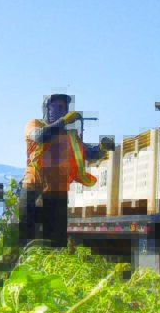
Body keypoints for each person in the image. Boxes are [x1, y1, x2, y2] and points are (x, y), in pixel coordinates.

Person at [20, 94, 113, 248]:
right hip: (33, 188)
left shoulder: (70, 135)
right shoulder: (34, 124)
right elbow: (40, 137)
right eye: (55, 106)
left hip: (57, 192)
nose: (60, 109)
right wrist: (63, 122)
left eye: (63, 107)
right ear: (47, 108)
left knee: (55, 242)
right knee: (27, 238)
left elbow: (87, 153)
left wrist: (102, 149)